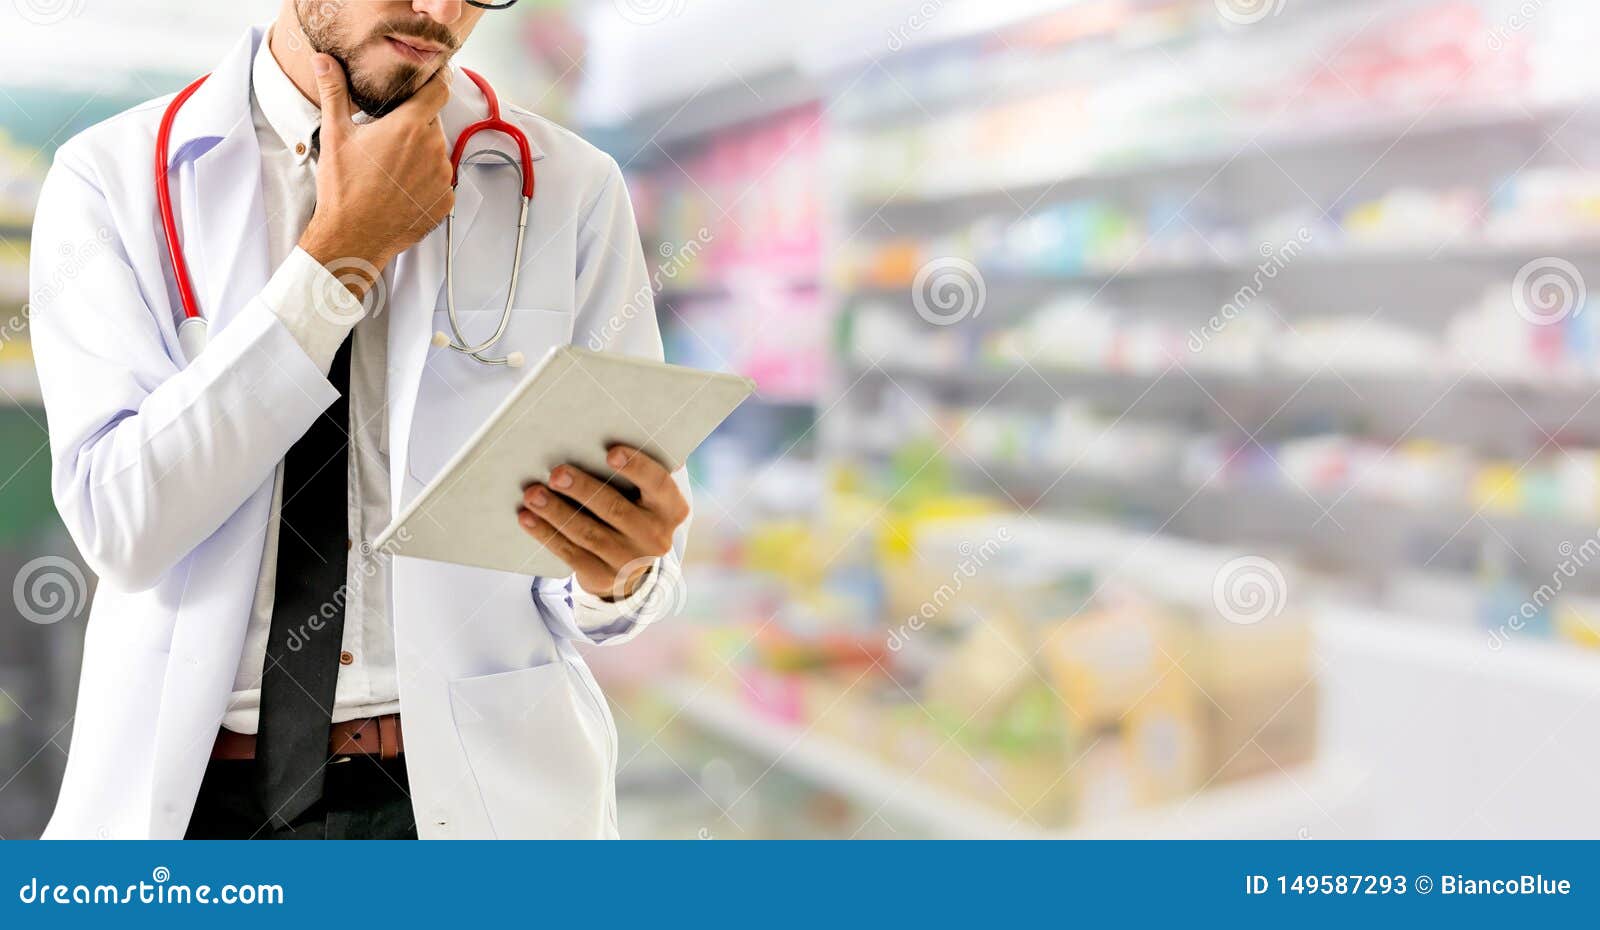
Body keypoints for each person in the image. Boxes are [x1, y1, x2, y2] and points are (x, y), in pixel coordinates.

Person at [28, 0, 689, 839]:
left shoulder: (567, 188)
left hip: (471, 802)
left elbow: (606, 589)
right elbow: (124, 526)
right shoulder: (111, 179)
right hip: (196, 805)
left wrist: (616, 572)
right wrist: (341, 255)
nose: (441, 11)